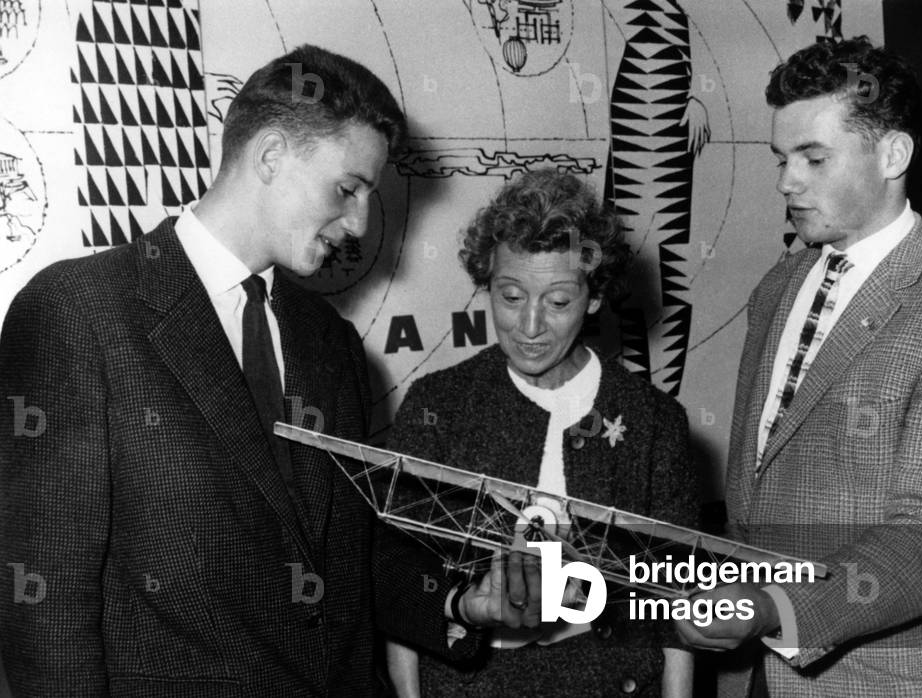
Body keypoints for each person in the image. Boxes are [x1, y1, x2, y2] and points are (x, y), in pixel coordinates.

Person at [0, 45, 539, 697]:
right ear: (271, 155)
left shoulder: (330, 340)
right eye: (347, 189)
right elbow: (45, 610)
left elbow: (343, 547)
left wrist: (457, 602)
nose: (360, 224)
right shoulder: (80, 312)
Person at [671, 36, 922, 696]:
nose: (786, 181)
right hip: (762, 673)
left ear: (892, 155)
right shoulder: (777, 289)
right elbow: (757, 492)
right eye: (781, 159)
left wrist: (775, 608)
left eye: (813, 157)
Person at [383, 169, 701, 697]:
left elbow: (676, 595)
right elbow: (399, 578)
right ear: (488, 283)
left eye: (557, 302)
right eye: (510, 297)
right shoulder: (438, 404)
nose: (530, 327)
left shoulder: (652, 419)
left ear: (594, 297)